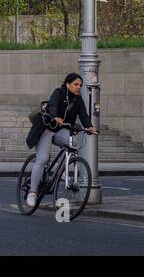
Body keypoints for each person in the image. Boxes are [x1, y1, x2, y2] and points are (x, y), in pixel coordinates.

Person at [25, 71, 96, 209]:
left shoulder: (77, 99)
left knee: (72, 143)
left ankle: (62, 170)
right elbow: (52, 106)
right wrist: (55, 116)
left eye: (80, 85)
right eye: (75, 84)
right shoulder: (58, 93)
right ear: (68, 84)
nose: (78, 87)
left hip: (61, 129)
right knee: (43, 159)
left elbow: (83, 114)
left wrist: (89, 126)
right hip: (47, 128)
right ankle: (32, 193)